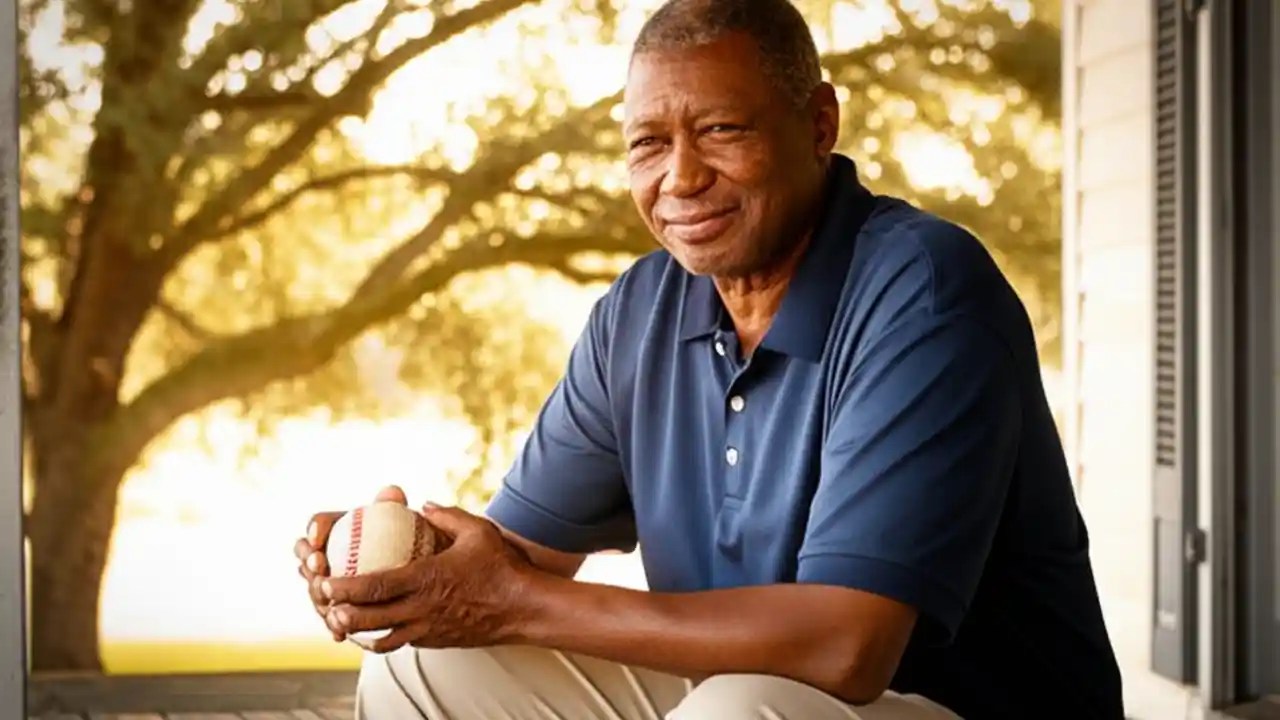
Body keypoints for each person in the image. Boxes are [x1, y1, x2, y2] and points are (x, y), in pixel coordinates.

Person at [294, 0, 1125, 717]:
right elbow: (517, 566)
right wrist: (419, 571)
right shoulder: (638, 312)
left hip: (954, 709)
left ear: (819, 125)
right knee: (422, 671)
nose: (680, 177)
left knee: (736, 708)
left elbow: (849, 648)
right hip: (743, 697)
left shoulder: (924, 290)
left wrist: (514, 600)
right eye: (648, 143)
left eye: (721, 130)